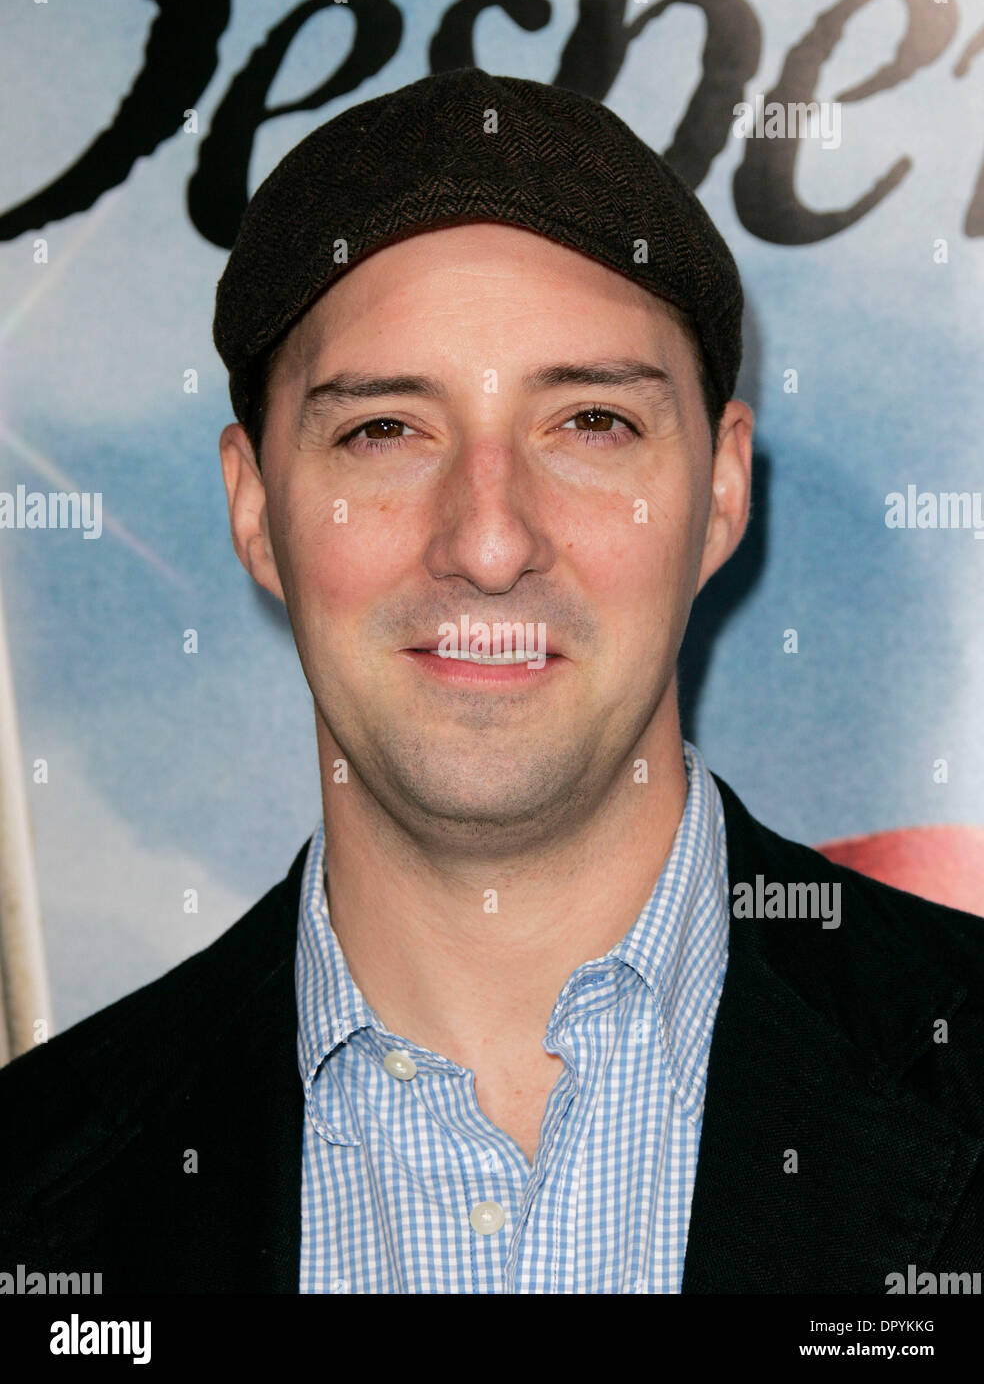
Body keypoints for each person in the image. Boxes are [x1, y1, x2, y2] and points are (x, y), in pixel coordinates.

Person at [1, 67, 982, 1296]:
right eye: (384, 430)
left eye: (590, 423)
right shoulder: (30, 1193)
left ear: (722, 491)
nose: (488, 539)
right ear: (255, 508)